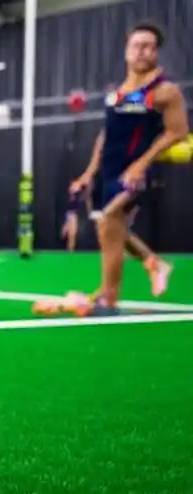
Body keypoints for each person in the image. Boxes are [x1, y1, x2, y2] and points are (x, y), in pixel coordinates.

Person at [69, 22, 186, 309]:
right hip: (109, 170)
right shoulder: (118, 93)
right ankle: (153, 263)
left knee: (109, 221)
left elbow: (178, 131)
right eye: (137, 45)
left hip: (136, 171)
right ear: (126, 51)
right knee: (108, 227)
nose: (143, 51)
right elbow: (106, 135)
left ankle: (108, 300)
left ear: (156, 53)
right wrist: (88, 173)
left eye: (149, 46)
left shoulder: (165, 90)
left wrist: (141, 164)